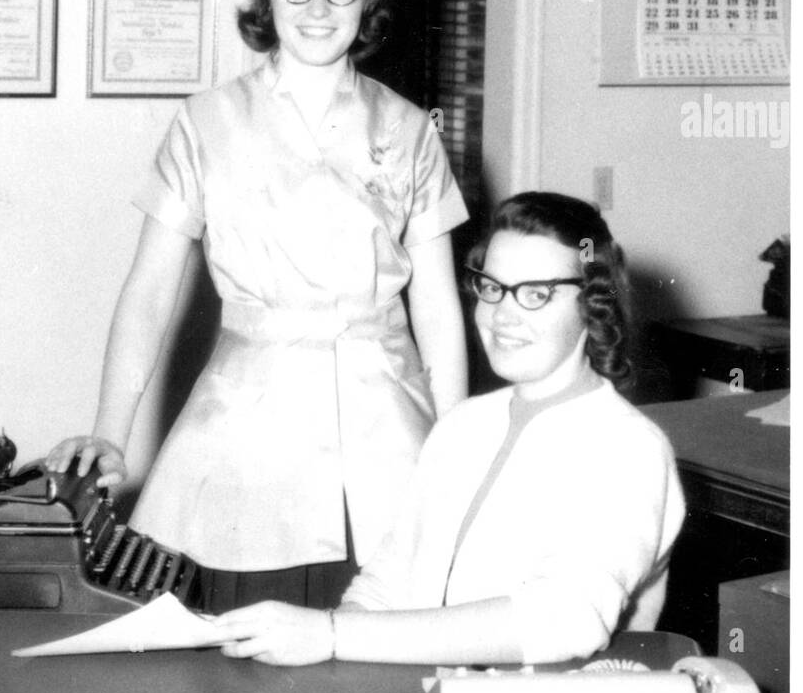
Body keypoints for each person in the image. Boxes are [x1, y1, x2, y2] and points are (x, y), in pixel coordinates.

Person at [47, 0, 469, 611]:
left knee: (381, 662)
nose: (317, 8)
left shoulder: (408, 129)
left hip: (386, 440)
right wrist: (109, 435)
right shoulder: (205, 123)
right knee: (235, 671)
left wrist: (458, 450)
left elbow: (435, 303)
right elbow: (149, 292)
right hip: (245, 443)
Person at [217, 192, 685, 664]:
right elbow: (387, 580)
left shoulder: (629, 447)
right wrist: (337, 651)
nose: (503, 314)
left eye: (536, 293)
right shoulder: (462, 425)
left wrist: (334, 636)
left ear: (593, 303)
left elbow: (563, 619)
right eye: (492, 287)